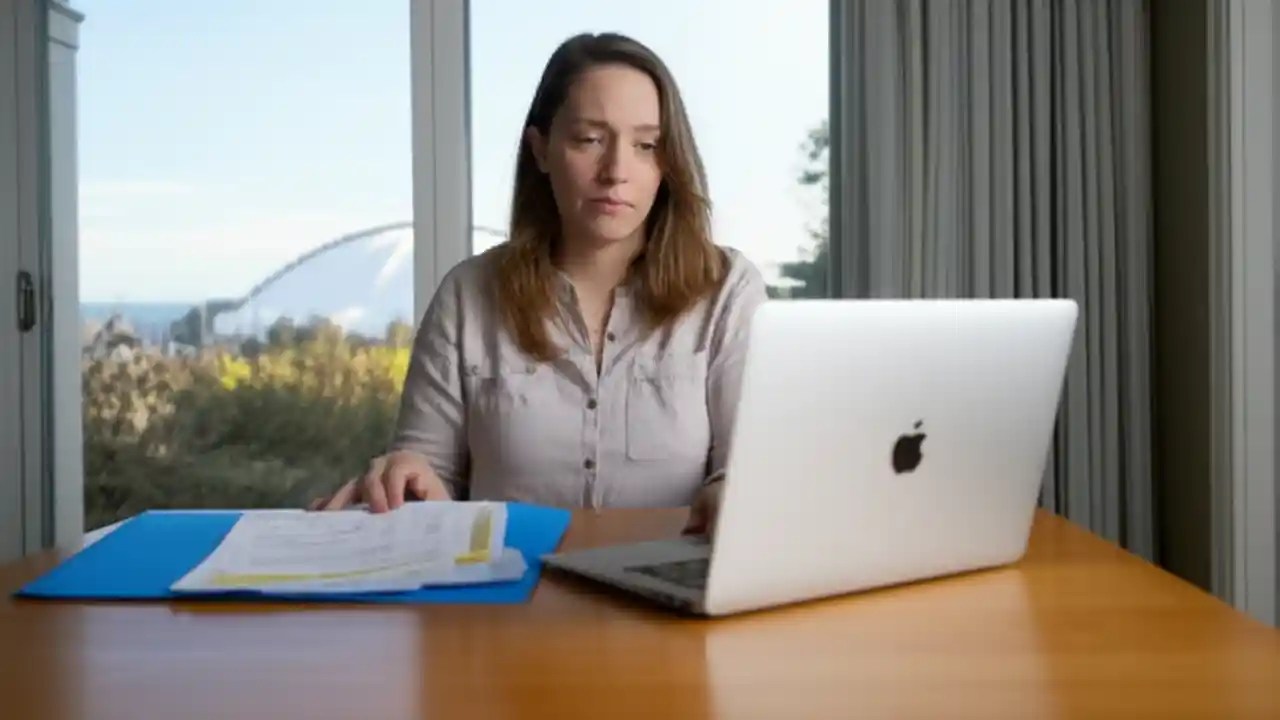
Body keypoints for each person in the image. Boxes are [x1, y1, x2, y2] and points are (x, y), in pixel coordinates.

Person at [311, 32, 767, 535]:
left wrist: (734, 493)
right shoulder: (468, 295)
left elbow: (747, 470)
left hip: (675, 581)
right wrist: (404, 481)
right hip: (505, 581)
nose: (616, 171)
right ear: (541, 150)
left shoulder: (727, 291)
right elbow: (428, 474)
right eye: (589, 140)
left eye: (646, 146)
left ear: (669, 162)